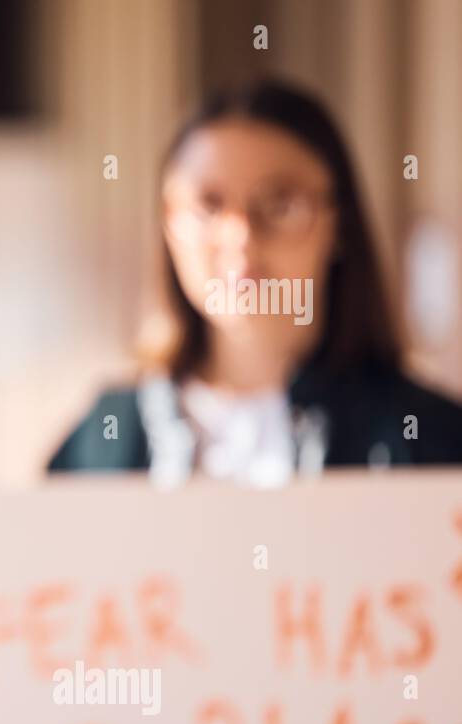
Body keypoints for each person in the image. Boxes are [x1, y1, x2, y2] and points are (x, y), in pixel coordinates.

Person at [48, 79, 462, 485]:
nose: (240, 236)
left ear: (338, 224)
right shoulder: (104, 438)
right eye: (207, 206)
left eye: (280, 204)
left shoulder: (429, 436)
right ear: (168, 228)